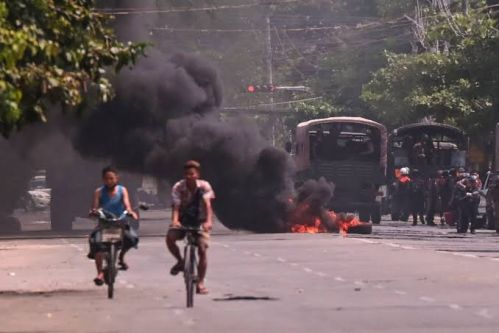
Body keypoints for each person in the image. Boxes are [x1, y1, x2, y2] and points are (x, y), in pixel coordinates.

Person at [166, 160, 215, 295]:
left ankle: (200, 283)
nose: (189, 176)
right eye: (187, 174)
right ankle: (180, 261)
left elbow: (207, 205)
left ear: (197, 174)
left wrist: (208, 222)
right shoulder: (178, 187)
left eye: (192, 174)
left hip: (200, 220)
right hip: (183, 220)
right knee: (170, 237)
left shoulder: (204, 186)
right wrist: (175, 221)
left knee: (202, 249)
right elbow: (176, 206)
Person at [89, 166, 138, 286]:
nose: (109, 181)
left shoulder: (122, 190)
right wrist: (94, 212)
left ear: (117, 178)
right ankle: (100, 273)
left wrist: (130, 212)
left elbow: (127, 204)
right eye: (107, 179)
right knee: (96, 243)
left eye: (112, 178)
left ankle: (121, 257)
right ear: (103, 179)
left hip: (119, 222)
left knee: (132, 238)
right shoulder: (98, 192)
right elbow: (95, 207)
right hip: (104, 224)